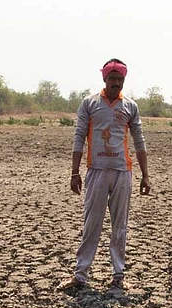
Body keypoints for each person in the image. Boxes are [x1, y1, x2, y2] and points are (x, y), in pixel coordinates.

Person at [58, 58, 151, 294]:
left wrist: (145, 175)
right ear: (104, 79)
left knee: (120, 226)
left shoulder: (130, 107)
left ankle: (118, 276)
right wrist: (74, 172)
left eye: (120, 79)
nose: (116, 83)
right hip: (96, 171)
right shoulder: (90, 104)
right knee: (92, 224)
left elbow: (139, 141)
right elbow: (79, 137)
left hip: (123, 172)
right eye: (113, 79)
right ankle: (80, 275)